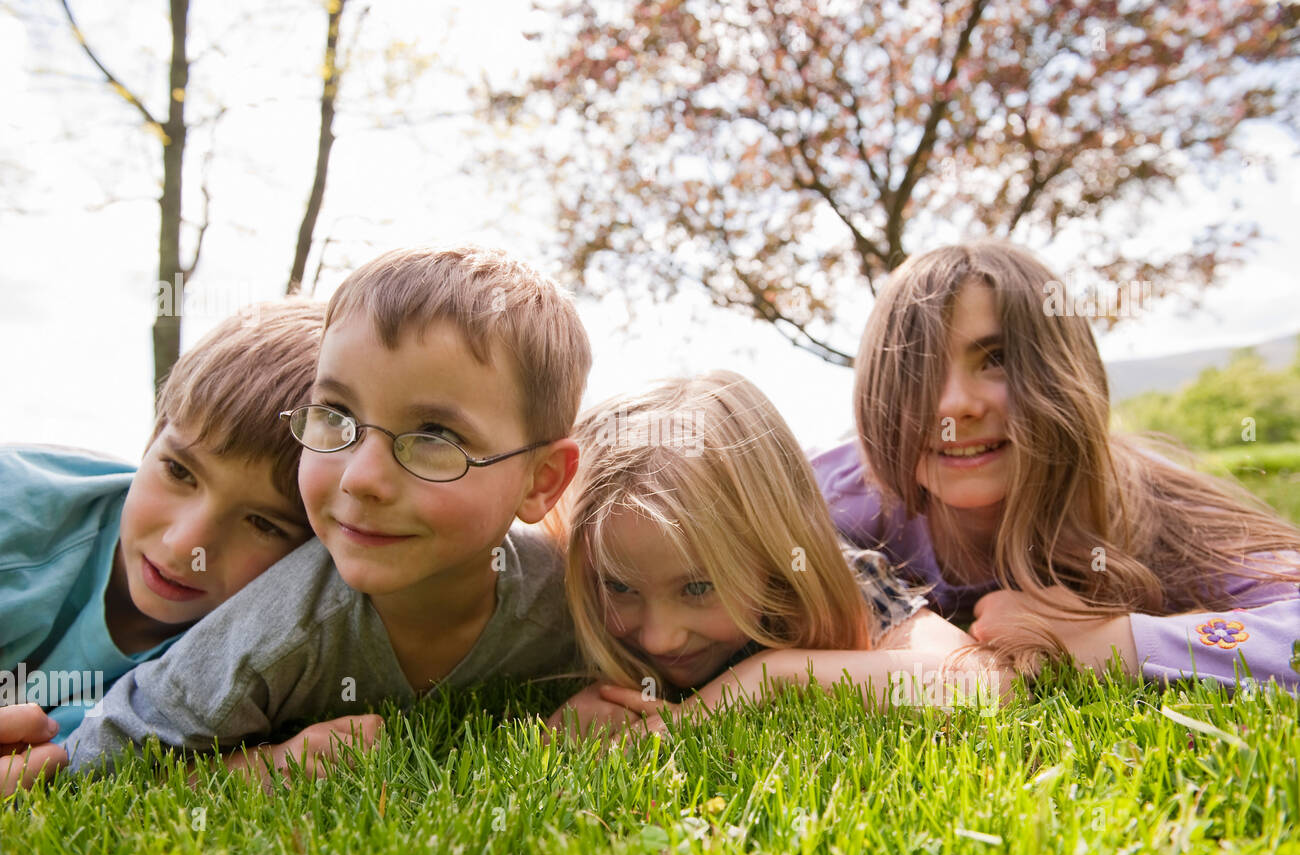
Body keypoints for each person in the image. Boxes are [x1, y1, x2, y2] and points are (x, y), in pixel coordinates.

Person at [61, 245, 593, 785]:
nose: (359, 477)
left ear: (541, 480)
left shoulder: (571, 599)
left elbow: (671, 655)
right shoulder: (273, 629)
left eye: (435, 436)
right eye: (337, 414)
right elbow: (98, 758)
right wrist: (251, 771)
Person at [810, 239, 1300, 690]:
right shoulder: (833, 497)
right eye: (919, 368)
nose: (954, 405)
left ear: (1063, 374)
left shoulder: (1145, 502)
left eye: (997, 358)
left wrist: (1111, 640)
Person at [1, 301, 323, 794]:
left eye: (263, 522)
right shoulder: (16, 511)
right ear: (152, 437)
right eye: (179, 471)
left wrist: (254, 769)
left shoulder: (263, 646)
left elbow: (70, 770)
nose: (185, 544)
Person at [547, 372, 977, 736]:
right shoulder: (562, 582)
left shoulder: (842, 579)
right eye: (619, 587)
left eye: (697, 587)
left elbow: (982, 683)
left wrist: (773, 676)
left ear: (772, 560)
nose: (662, 638)